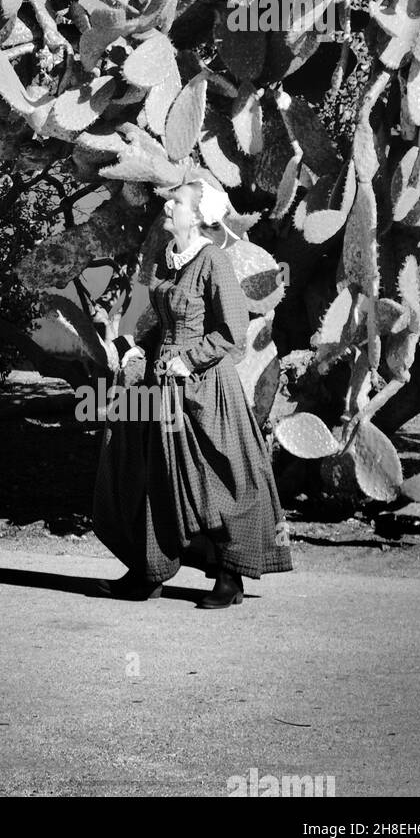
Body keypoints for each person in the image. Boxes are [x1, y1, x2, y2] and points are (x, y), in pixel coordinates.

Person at [92, 178, 293, 608]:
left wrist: (190, 359)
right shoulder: (168, 261)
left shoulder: (213, 260)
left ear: (199, 215)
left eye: (177, 201)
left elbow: (233, 330)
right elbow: (163, 324)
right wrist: (137, 353)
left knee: (216, 477)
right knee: (153, 475)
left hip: (204, 387)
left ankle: (230, 574)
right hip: (161, 385)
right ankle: (148, 572)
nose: (167, 205)